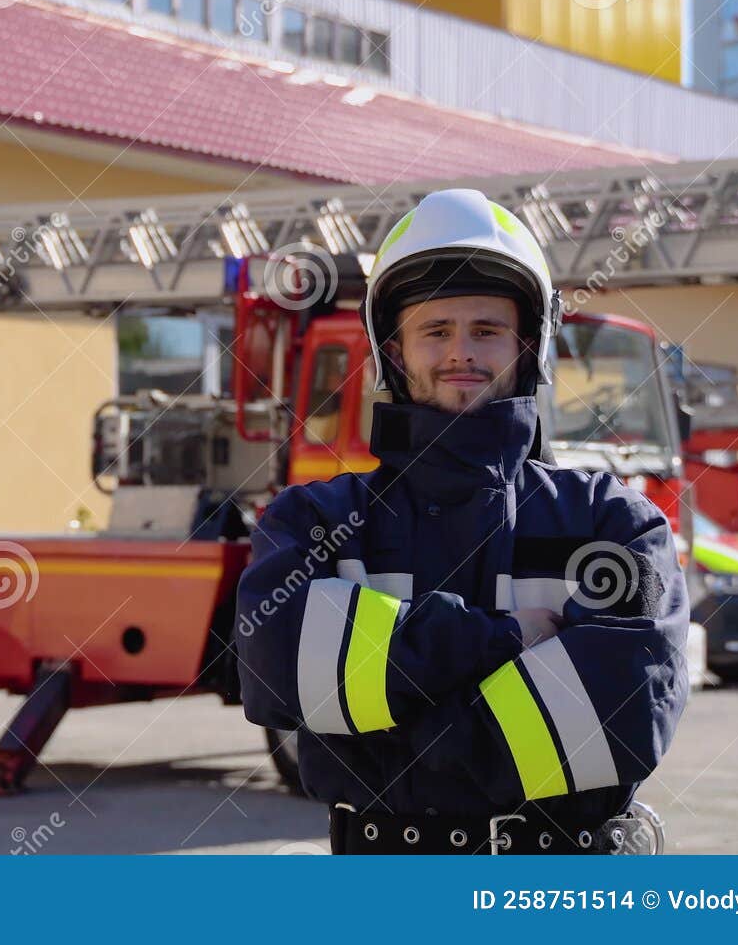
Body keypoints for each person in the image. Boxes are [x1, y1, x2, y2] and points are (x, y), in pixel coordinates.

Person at [234, 189, 689, 855]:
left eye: (486, 329)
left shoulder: (612, 524)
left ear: (527, 345)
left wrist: (393, 719)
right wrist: (505, 640)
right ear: (395, 350)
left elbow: (624, 714)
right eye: (436, 330)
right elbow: (275, 669)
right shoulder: (316, 520)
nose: (461, 352)